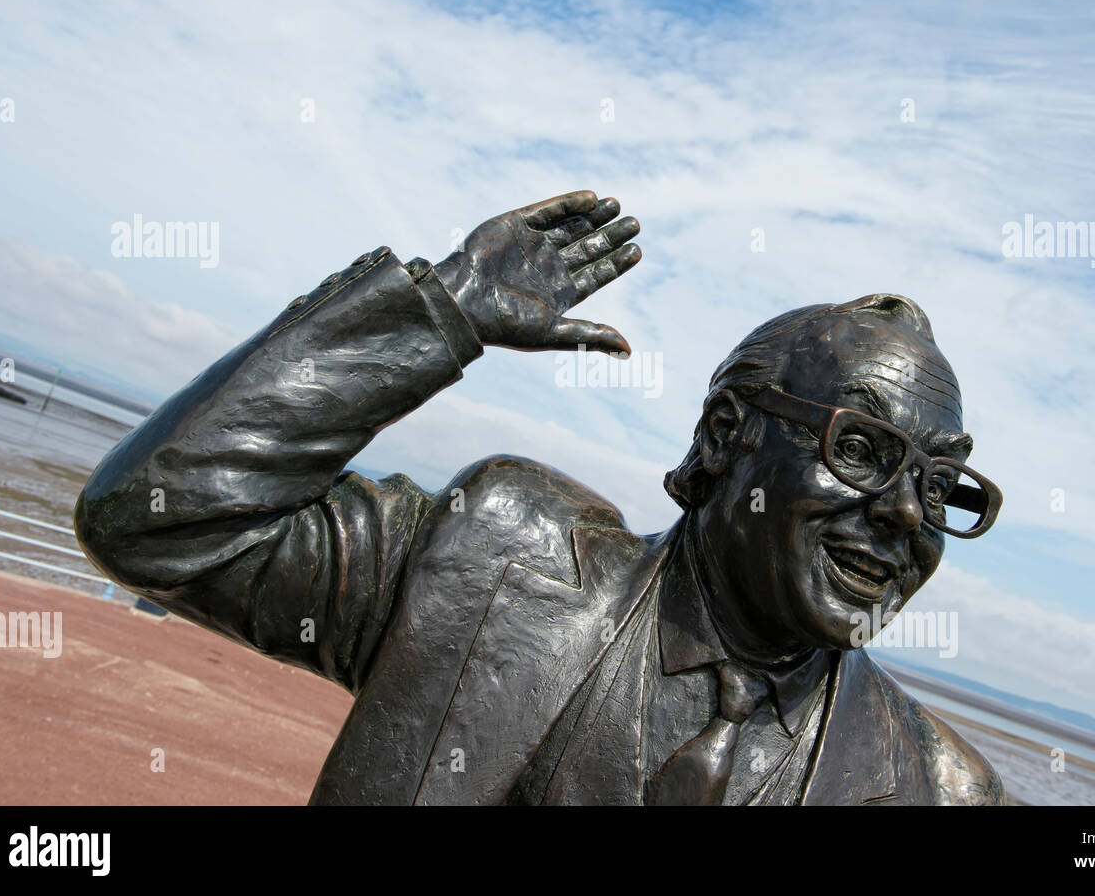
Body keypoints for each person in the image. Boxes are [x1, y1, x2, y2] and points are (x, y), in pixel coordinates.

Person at [75, 190, 1005, 805]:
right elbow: (163, 518)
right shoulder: (491, 559)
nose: (907, 514)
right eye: (863, 448)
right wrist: (433, 314)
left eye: (940, 482)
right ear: (725, 436)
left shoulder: (936, 788)